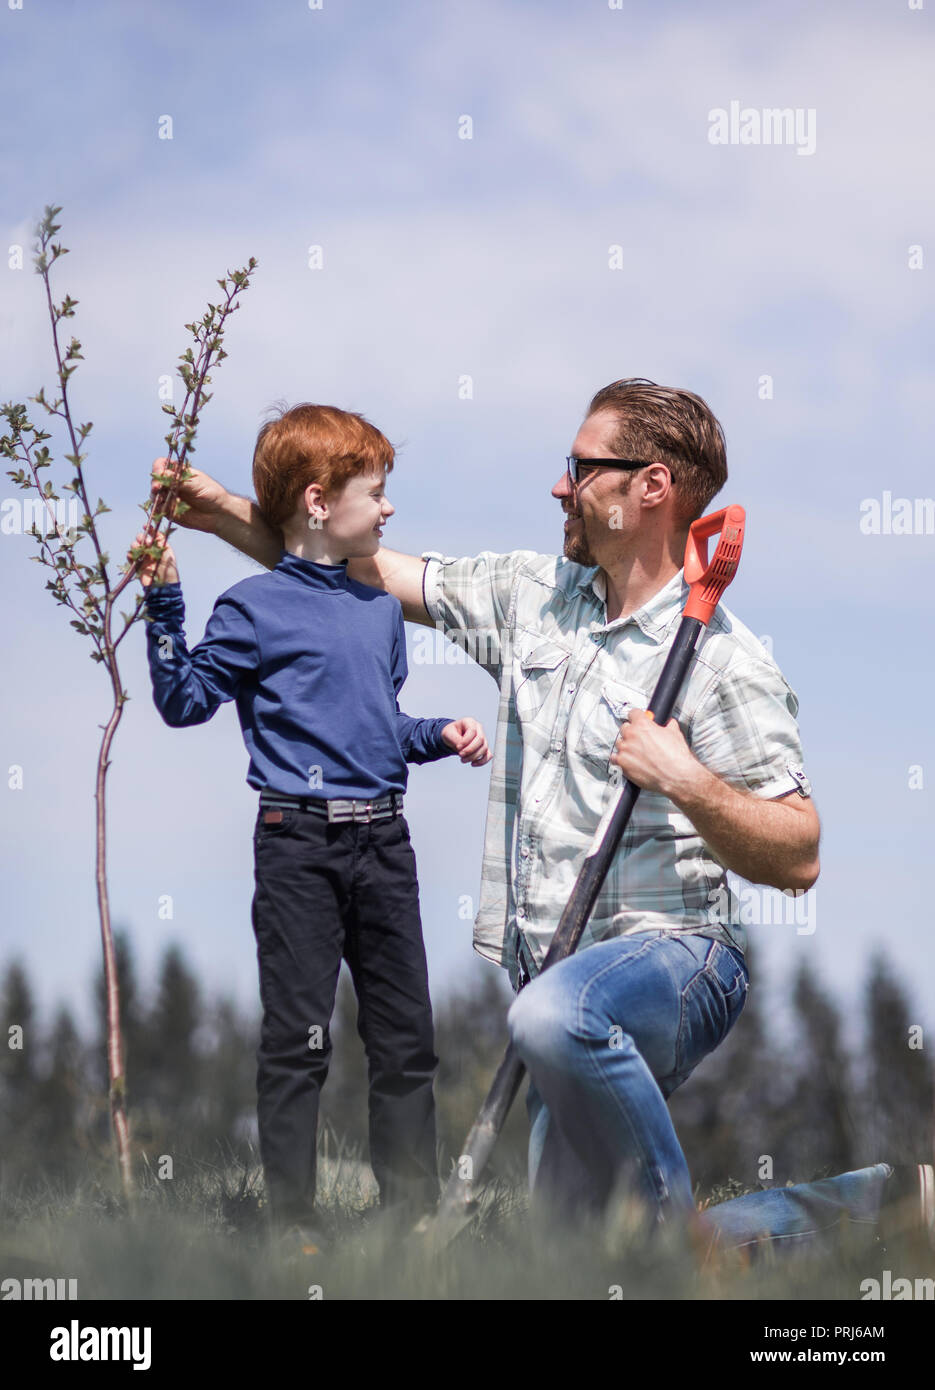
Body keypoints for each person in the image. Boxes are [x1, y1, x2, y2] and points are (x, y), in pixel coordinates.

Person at [150, 378, 933, 1258]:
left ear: (651, 487)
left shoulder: (722, 659)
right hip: (556, 981)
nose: (560, 486)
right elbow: (339, 570)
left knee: (550, 1017)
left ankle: (688, 1261)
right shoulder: (531, 600)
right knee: (587, 1255)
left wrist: (684, 778)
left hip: (677, 956)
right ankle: (879, 1205)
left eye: (580, 466)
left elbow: (798, 854)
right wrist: (221, 513)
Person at [134, 403, 492, 1253]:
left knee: (406, 1041)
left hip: (385, 844)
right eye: (378, 492)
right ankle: (293, 1226)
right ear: (319, 501)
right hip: (297, 846)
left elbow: (376, 726)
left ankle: (409, 1220)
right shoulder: (251, 609)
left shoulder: (377, 613)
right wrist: (164, 602)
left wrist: (433, 734)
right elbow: (183, 702)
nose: (391, 509)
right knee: (298, 1042)